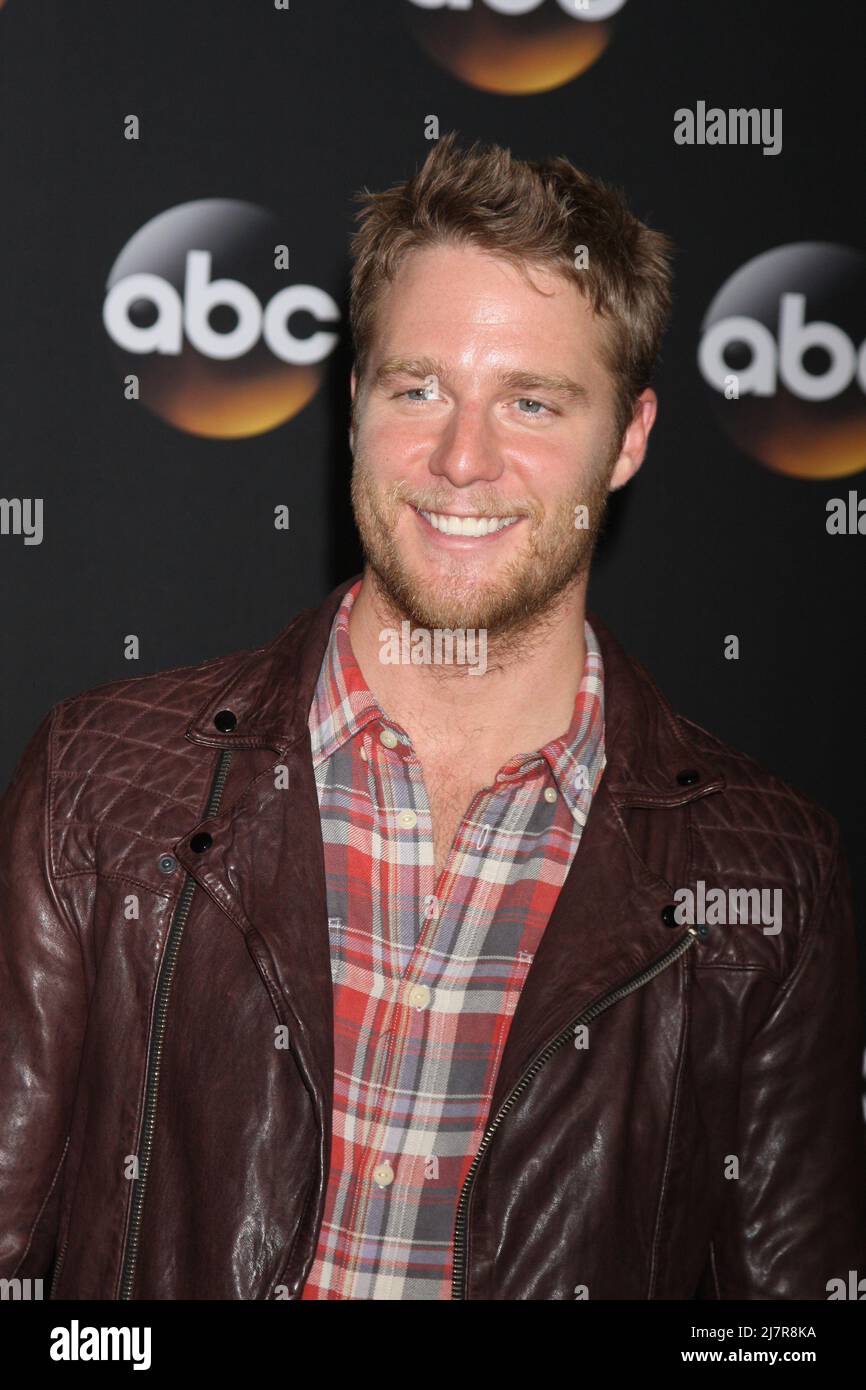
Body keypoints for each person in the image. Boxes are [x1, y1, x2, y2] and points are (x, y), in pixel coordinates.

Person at [1, 134, 864, 1301]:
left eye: (531, 400)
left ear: (631, 439)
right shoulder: (102, 782)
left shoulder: (769, 878)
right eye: (418, 388)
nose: (462, 459)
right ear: (353, 402)